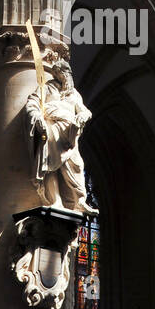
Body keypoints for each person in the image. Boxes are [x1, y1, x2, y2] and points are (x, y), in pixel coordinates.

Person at [26, 58, 98, 214]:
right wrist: (37, 118)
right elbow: (32, 103)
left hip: (70, 134)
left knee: (77, 165)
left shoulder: (74, 94)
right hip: (52, 128)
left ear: (68, 73)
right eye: (58, 73)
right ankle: (55, 200)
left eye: (64, 73)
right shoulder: (47, 88)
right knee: (50, 165)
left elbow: (85, 111)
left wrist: (83, 116)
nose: (62, 76)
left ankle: (79, 200)